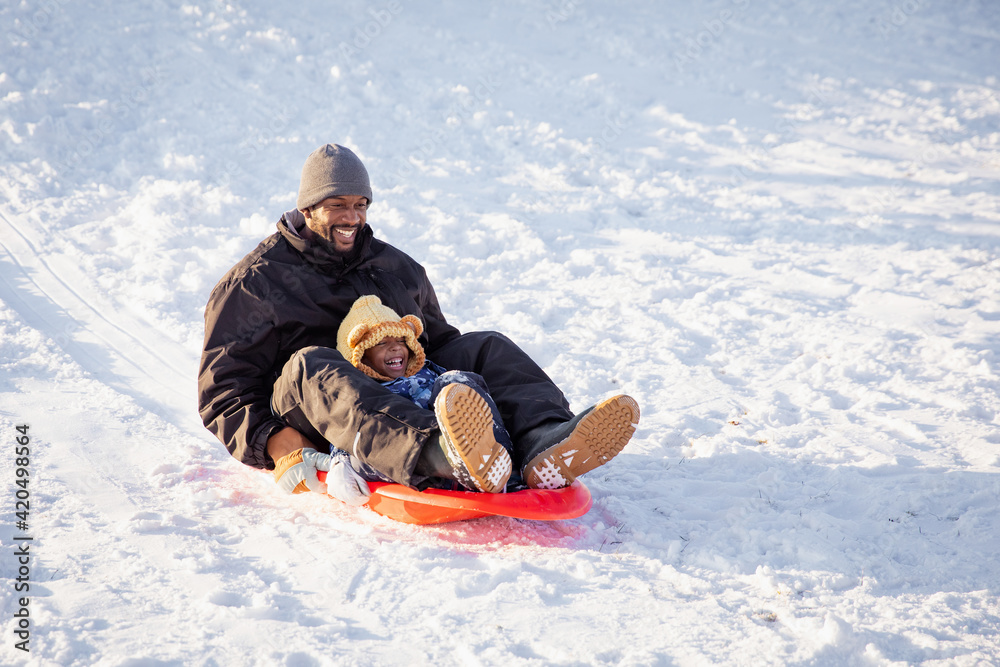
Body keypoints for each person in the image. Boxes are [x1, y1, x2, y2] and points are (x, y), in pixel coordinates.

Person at [197, 143, 640, 505]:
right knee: (317, 363)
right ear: (309, 208)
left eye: (360, 204)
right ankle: (441, 454)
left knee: (484, 346)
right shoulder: (254, 284)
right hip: (316, 411)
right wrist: (281, 444)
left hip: (399, 391)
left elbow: (438, 342)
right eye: (337, 205)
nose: (351, 217)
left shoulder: (393, 267)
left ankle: (542, 442)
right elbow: (224, 393)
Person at [336, 293, 516, 493]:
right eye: (381, 343)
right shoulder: (363, 392)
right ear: (360, 357)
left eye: (401, 340)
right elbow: (344, 430)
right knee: (361, 456)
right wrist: (340, 460)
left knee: (456, 380)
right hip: (415, 455)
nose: (395, 347)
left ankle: (498, 460)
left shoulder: (429, 372)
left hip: (456, 435)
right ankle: (460, 473)